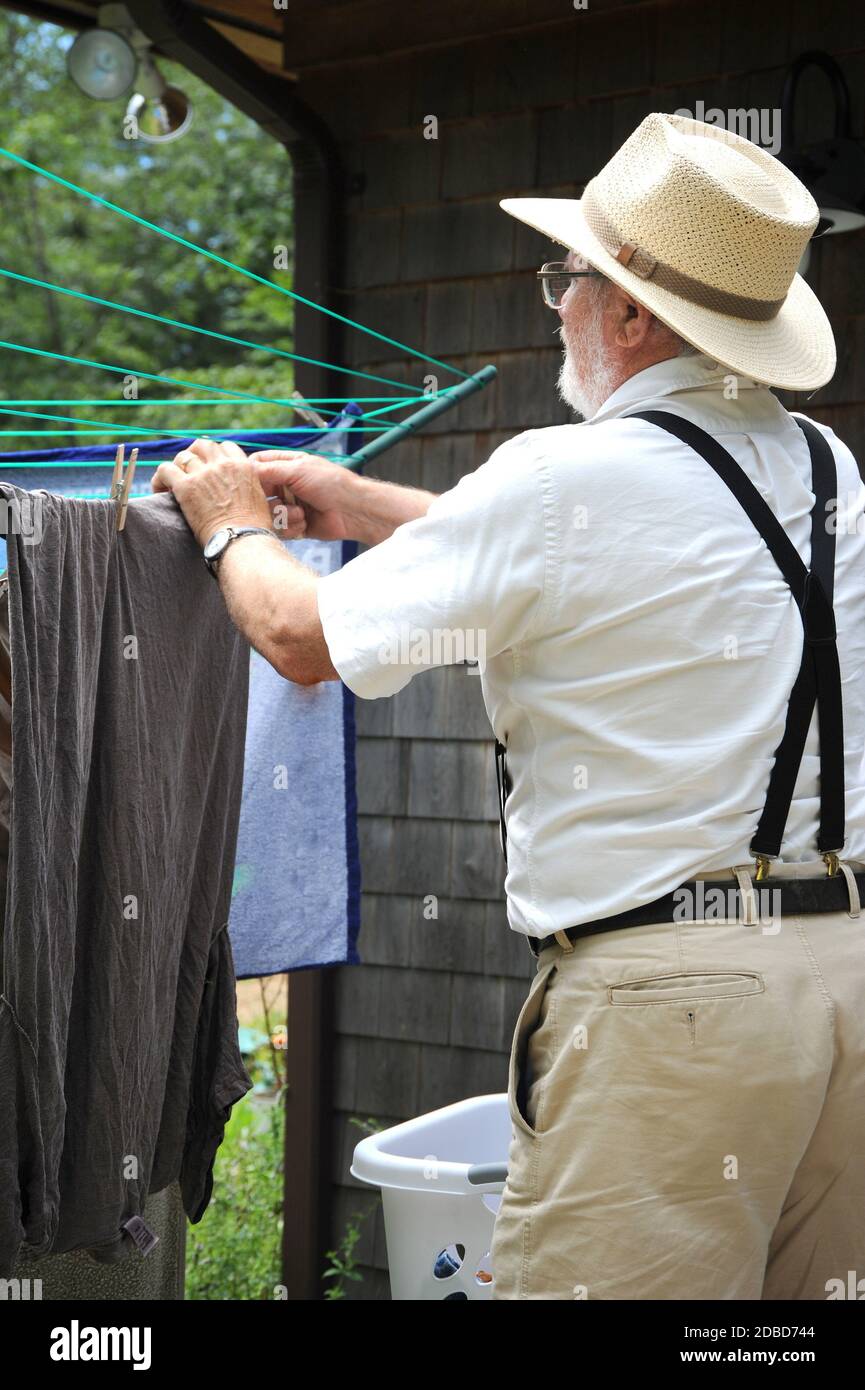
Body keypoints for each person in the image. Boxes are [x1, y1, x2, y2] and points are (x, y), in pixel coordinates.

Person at [152, 112, 865, 1300]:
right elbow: (620, 563)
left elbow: (300, 636)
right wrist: (361, 503)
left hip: (669, 1010)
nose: (556, 305)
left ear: (630, 313)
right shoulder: (831, 472)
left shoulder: (556, 475)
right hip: (842, 983)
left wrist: (229, 518)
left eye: (566, 278)